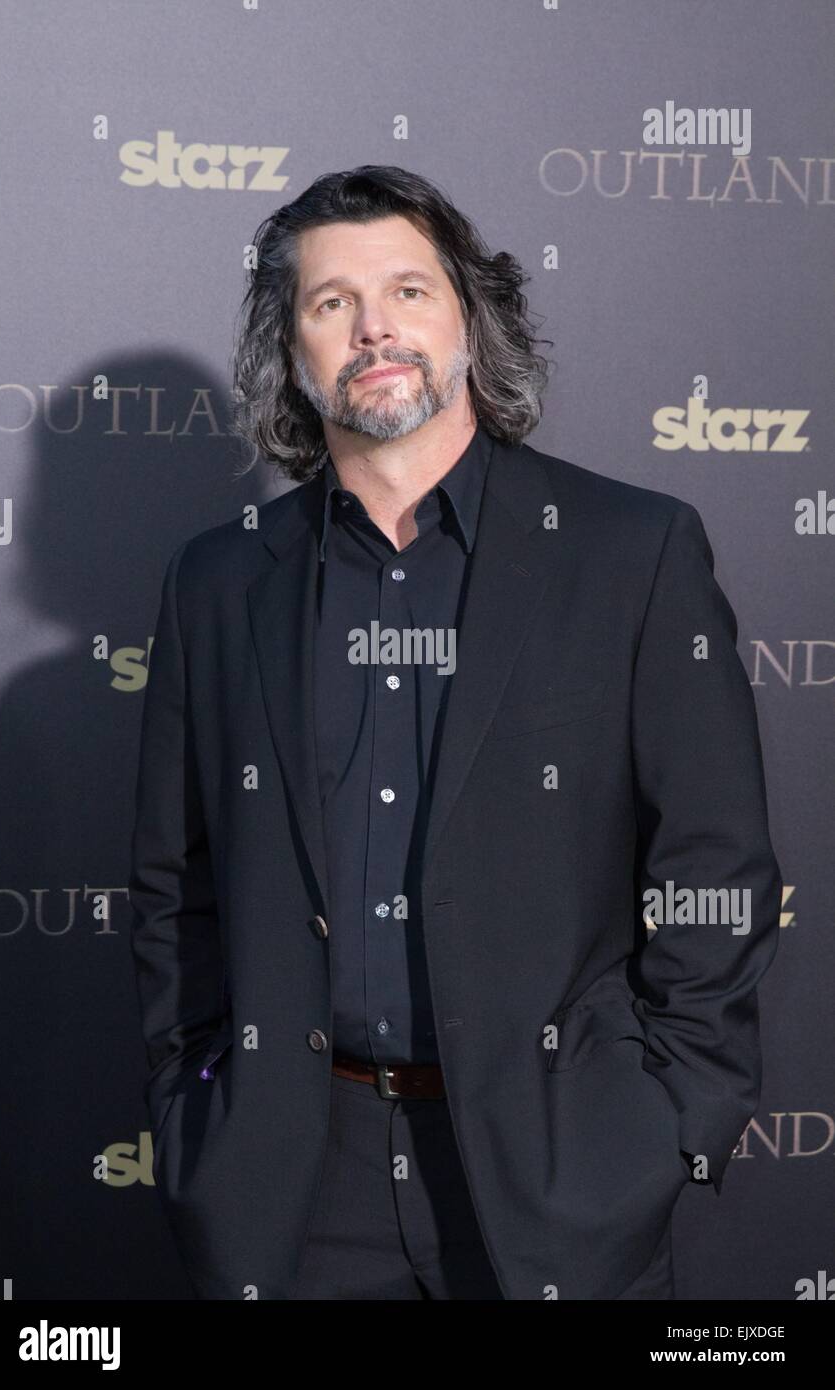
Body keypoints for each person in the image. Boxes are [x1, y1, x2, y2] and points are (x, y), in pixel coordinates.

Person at [129, 164, 782, 1300]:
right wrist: (196, 1119)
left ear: (471, 323)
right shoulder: (219, 583)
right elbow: (170, 885)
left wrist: (666, 1124)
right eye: (330, 303)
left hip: (555, 1174)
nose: (373, 325)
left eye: (408, 291)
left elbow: (712, 866)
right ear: (290, 352)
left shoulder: (630, 552)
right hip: (290, 1190)